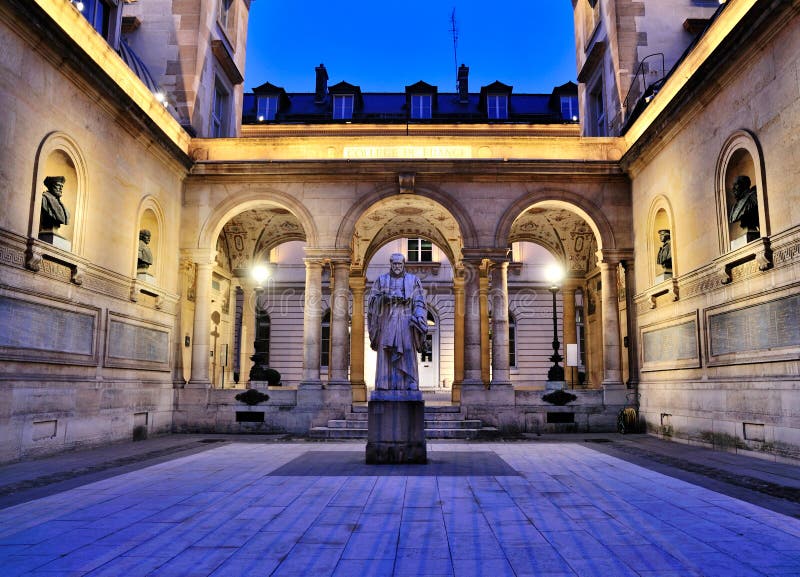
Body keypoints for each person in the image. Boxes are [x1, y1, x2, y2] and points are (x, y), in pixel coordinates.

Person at [367, 253, 428, 391]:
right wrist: (385, 298)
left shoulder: (413, 280)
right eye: (394, 264)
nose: (397, 267)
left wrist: (419, 315)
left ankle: (410, 382)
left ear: (404, 264)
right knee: (385, 350)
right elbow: (372, 301)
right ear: (390, 264)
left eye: (400, 264)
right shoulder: (381, 280)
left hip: (406, 319)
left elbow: (419, 301)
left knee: (407, 349)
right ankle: (384, 383)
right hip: (387, 319)